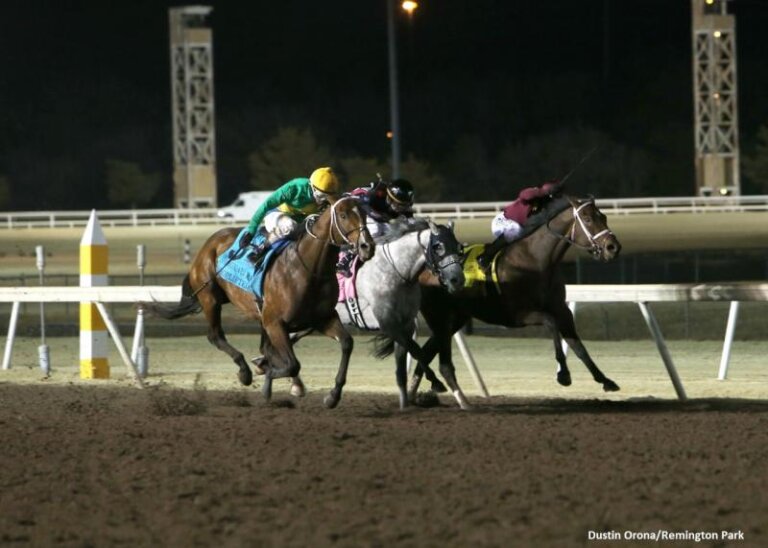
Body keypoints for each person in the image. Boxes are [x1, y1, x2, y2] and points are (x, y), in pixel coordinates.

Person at [239, 167, 341, 264]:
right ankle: (259, 251)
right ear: (312, 187)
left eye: (328, 196)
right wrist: (251, 232)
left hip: (301, 223)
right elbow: (266, 205)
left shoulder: (325, 194)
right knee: (290, 225)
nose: (324, 200)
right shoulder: (294, 188)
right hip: (277, 215)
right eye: (322, 196)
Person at [336, 177, 416, 276]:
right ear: (389, 197)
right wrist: (385, 218)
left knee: (395, 233)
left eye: (403, 206)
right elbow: (364, 206)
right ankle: (346, 260)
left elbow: (411, 220)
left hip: (376, 213)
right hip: (357, 207)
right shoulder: (376, 194)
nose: (400, 209)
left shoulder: (401, 203)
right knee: (375, 230)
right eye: (398, 205)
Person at [476, 180, 563, 270]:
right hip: (502, 221)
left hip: (515, 228)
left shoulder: (544, 204)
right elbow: (524, 194)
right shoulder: (531, 195)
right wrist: (544, 191)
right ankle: (485, 256)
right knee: (516, 229)